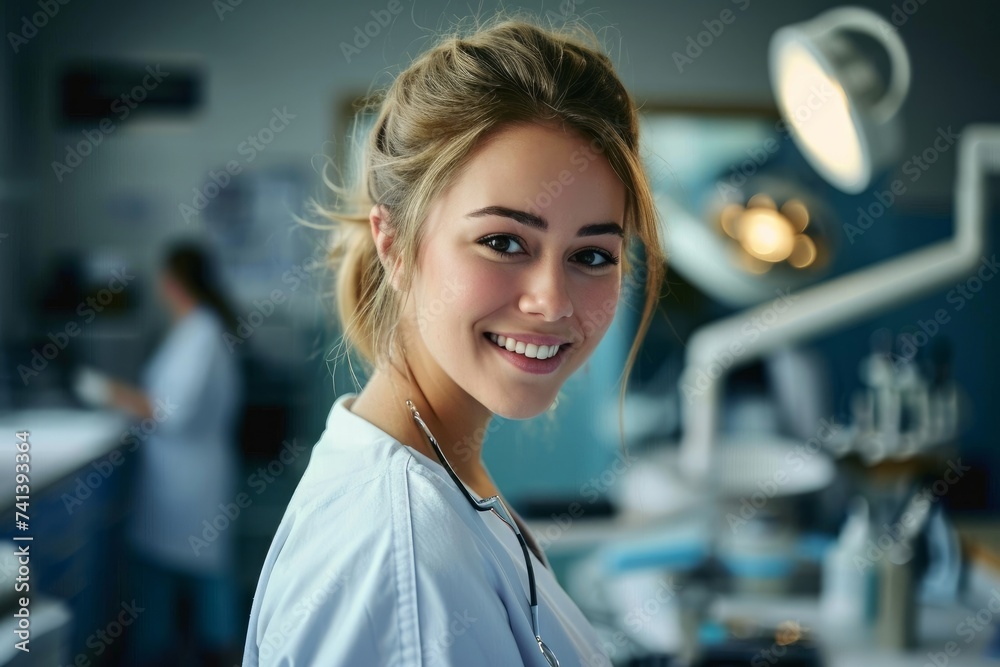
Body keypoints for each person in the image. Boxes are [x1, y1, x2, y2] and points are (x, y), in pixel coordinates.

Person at [243, 14, 665, 667]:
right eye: (503, 241)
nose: (551, 301)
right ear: (395, 244)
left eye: (591, 255)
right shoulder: (398, 566)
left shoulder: (440, 471)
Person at [74, 239, 245, 667]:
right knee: (168, 582)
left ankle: (216, 655)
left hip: (190, 480)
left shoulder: (202, 333)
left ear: (172, 283)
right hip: (179, 475)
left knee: (204, 582)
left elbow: (172, 412)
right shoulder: (195, 330)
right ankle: (167, 651)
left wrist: (107, 392)